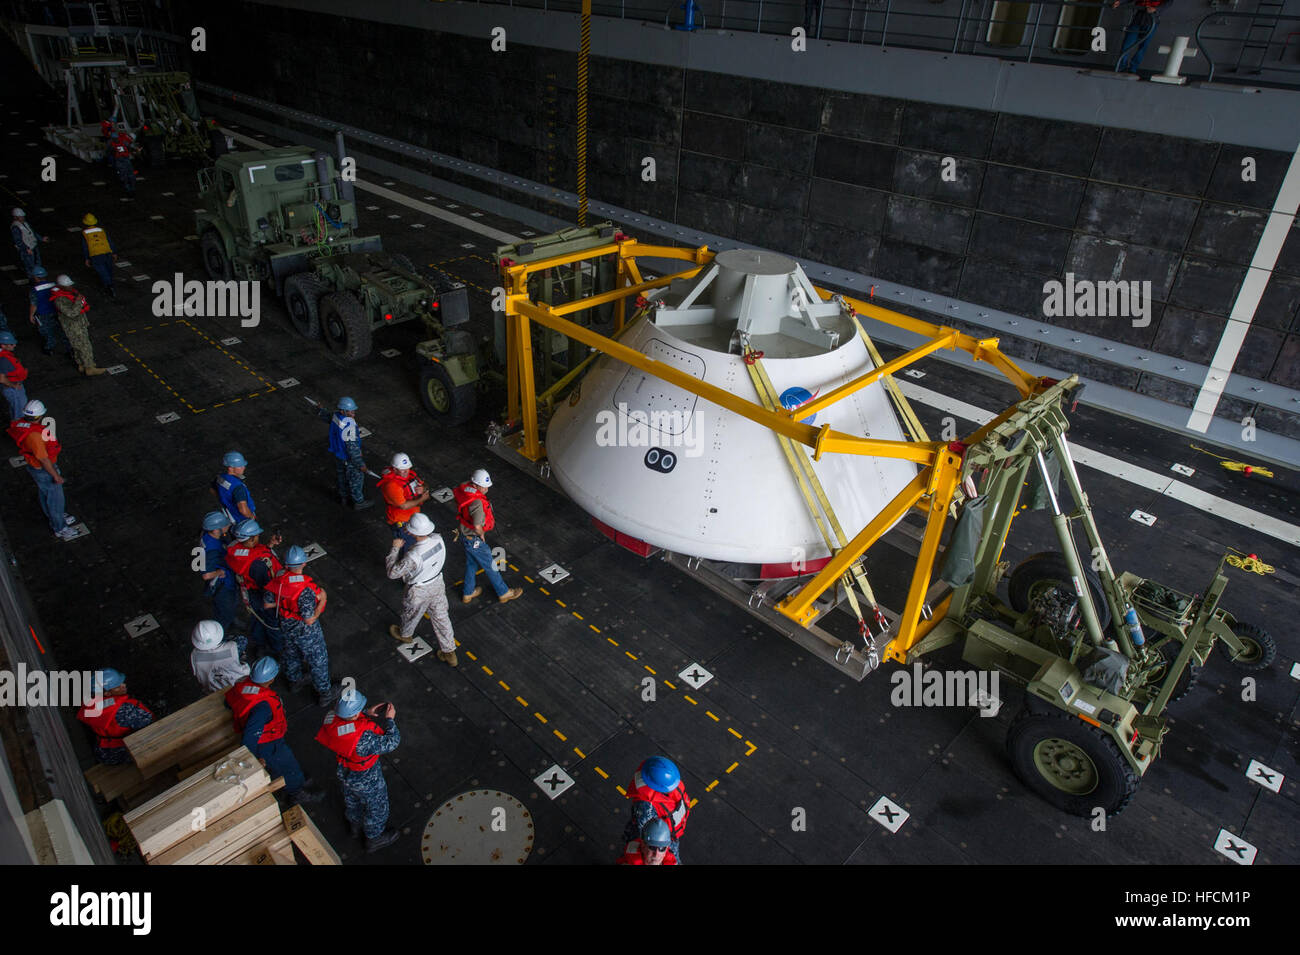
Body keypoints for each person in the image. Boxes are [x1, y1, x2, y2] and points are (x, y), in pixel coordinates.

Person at [225, 657, 324, 806]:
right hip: (268, 743)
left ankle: (294, 782)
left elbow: (228, 702)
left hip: (266, 740)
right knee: (287, 766)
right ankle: (297, 792)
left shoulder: (242, 684)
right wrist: (251, 759)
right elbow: (250, 738)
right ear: (271, 679)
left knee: (279, 766)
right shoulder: (262, 706)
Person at [315, 689, 401, 852]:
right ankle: (374, 837)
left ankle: (354, 824)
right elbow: (392, 742)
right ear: (354, 715)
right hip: (366, 776)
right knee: (377, 805)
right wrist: (390, 720)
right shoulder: (363, 739)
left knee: (351, 798)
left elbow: (345, 719)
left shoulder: (331, 717)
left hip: (344, 770)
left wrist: (365, 711)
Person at [264, 544, 339, 707]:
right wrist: (323, 600)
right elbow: (309, 619)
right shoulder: (305, 590)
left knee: (290, 654)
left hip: (286, 626)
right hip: (306, 632)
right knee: (317, 660)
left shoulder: (278, 579)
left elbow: (268, 604)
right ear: (304, 563)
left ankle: (295, 680)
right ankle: (325, 693)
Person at [384, 512, 456, 665]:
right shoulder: (438, 539)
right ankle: (449, 652)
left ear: (411, 531)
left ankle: (405, 634)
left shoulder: (413, 555)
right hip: (437, 584)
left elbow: (392, 573)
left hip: (418, 590)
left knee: (411, 614)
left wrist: (395, 549)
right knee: (442, 617)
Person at [7, 399, 78, 540]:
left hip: (35, 467)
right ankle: (60, 527)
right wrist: (56, 476)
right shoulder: (35, 436)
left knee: (45, 493)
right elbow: (44, 459)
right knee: (55, 499)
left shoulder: (24, 426)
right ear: (39, 416)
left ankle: (54, 516)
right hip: (44, 470)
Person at [453, 468, 522, 605]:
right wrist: (482, 535)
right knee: (491, 565)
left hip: (464, 534)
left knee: (471, 564)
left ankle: (468, 593)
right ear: (476, 485)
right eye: (484, 487)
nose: (486, 490)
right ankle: (504, 593)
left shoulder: (465, 490)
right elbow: (478, 526)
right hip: (474, 539)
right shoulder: (477, 503)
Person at [225, 519, 284, 658]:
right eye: (256, 536)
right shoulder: (259, 565)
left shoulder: (235, 550)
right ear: (252, 538)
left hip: (250, 592)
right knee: (273, 623)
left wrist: (269, 545)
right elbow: (268, 585)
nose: (258, 537)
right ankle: (278, 650)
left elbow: (253, 554)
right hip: (263, 594)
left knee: (257, 619)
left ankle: (259, 644)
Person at [75, 669, 153, 765]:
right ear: (107, 693)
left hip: (103, 752)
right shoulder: (125, 709)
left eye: (122, 682)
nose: (124, 685)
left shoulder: (91, 703)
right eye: (117, 686)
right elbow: (150, 725)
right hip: (120, 752)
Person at [623, 756, 691, 862]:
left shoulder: (646, 806)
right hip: (667, 838)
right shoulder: (646, 806)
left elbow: (648, 836)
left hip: (665, 837)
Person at [317, 396, 373, 509]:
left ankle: (343, 497)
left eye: (353, 411)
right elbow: (352, 449)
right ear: (343, 410)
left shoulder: (336, 416)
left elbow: (327, 416)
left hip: (338, 455)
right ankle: (359, 502)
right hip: (349, 458)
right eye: (350, 411)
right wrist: (361, 465)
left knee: (341, 476)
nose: (353, 414)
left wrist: (320, 409)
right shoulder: (350, 426)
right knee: (356, 479)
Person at [49, 275, 106, 376]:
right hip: (74, 327)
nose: (70, 287)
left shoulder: (66, 293)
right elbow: (72, 313)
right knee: (85, 346)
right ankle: (90, 367)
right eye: (68, 286)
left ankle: (81, 364)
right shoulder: (59, 300)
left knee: (77, 346)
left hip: (76, 325)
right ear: (61, 286)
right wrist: (78, 301)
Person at [376, 452, 429, 548]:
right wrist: (422, 498)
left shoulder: (410, 475)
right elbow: (403, 505)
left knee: (416, 545)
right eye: (403, 470)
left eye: (407, 469)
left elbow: (425, 486)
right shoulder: (392, 486)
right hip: (402, 522)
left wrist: (423, 489)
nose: (406, 472)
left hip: (414, 517)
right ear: (395, 469)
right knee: (407, 548)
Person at [198, 510, 238, 632]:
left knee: (225, 608)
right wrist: (219, 572)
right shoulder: (212, 550)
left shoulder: (207, 537)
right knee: (224, 613)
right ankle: (221, 635)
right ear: (216, 530)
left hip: (222, 582)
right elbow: (205, 575)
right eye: (224, 525)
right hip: (222, 585)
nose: (228, 526)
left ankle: (232, 620)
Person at [190, 619, 249, 694]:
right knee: (241, 640)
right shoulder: (231, 646)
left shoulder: (194, 655)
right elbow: (242, 641)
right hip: (236, 683)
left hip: (211, 687)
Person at [1113, 0, 1170, 73]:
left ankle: (1133, 68)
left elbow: (1168, 3)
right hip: (1138, 19)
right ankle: (1121, 67)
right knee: (1126, 45)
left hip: (1151, 20)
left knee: (1143, 47)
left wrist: (1156, 9)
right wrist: (1120, 2)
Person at [28, 267, 70, 356]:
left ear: (35, 277)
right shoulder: (54, 285)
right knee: (62, 331)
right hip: (57, 311)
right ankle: (69, 350)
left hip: (43, 315)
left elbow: (34, 304)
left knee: (47, 332)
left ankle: (49, 348)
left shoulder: (34, 290)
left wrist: (31, 315)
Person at [211, 451, 256, 524]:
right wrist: (251, 517)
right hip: (243, 520)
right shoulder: (238, 488)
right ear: (230, 468)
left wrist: (225, 501)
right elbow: (243, 510)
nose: (243, 468)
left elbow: (212, 490)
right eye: (240, 466)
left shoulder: (220, 478)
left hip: (229, 514)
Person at [80, 213, 118, 298]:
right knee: (109, 269)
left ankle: (109, 287)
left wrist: (87, 258)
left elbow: (85, 247)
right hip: (107, 252)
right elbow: (109, 242)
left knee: (102, 271)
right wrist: (114, 252)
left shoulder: (85, 233)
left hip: (95, 255)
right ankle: (111, 284)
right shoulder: (101, 230)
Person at [10, 208, 49, 279]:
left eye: (22, 216)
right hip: (27, 249)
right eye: (20, 217)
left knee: (37, 263)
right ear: (15, 217)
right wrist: (26, 248)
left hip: (33, 246)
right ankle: (33, 279)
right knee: (30, 266)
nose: (22, 218)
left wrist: (41, 238)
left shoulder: (25, 223)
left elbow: (33, 233)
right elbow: (18, 241)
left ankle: (39, 277)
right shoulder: (15, 227)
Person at [0, 332, 29, 422]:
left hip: (11, 388)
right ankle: (19, 432)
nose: (14, 345)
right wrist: (14, 386)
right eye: (11, 344)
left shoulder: (4, 355)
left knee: (15, 409)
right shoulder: (4, 360)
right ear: (3, 345)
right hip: (13, 390)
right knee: (20, 414)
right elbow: (2, 379)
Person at [108, 125, 138, 196]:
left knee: (124, 174)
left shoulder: (112, 144)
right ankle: (131, 188)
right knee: (129, 173)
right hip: (125, 159)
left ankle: (128, 188)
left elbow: (110, 152)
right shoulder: (123, 141)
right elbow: (129, 147)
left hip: (120, 160)